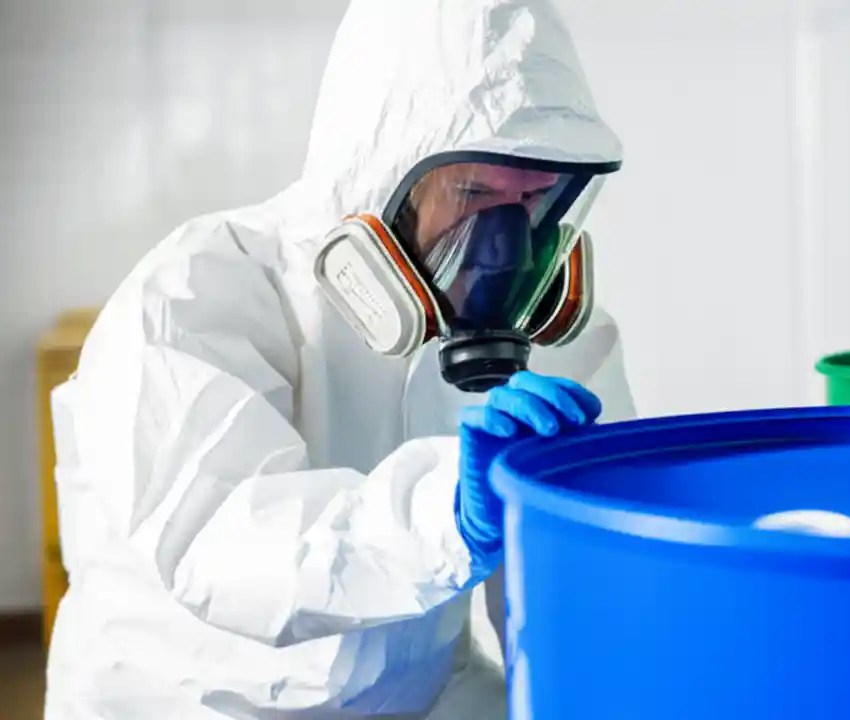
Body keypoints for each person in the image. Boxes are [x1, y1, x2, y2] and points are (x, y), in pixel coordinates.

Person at [43, 0, 634, 717]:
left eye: (534, 197)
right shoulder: (196, 292)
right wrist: (446, 514)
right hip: (187, 701)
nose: (505, 244)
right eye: (474, 192)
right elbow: (229, 547)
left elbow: (575, 584)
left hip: (415, 694)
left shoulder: (551, 330)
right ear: (382, 171)